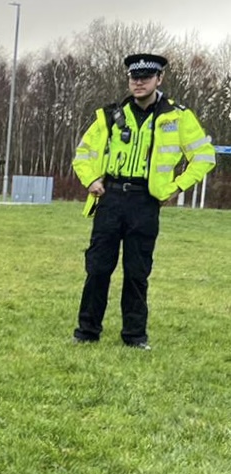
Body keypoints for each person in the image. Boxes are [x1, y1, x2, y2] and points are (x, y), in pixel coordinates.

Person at [71, 53, 215, 350]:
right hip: (110, 199)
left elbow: (204, 157)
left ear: (159, 79)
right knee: (98, 268)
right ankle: (87, 331)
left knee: (137, 272)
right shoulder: (109, 115)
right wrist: (90, 180)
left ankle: (134, 336)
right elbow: (83, 154)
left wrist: (175, 187)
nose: (138, 82)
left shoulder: (178, 117)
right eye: (134, 78)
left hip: (145, 203)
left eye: (146, 77)